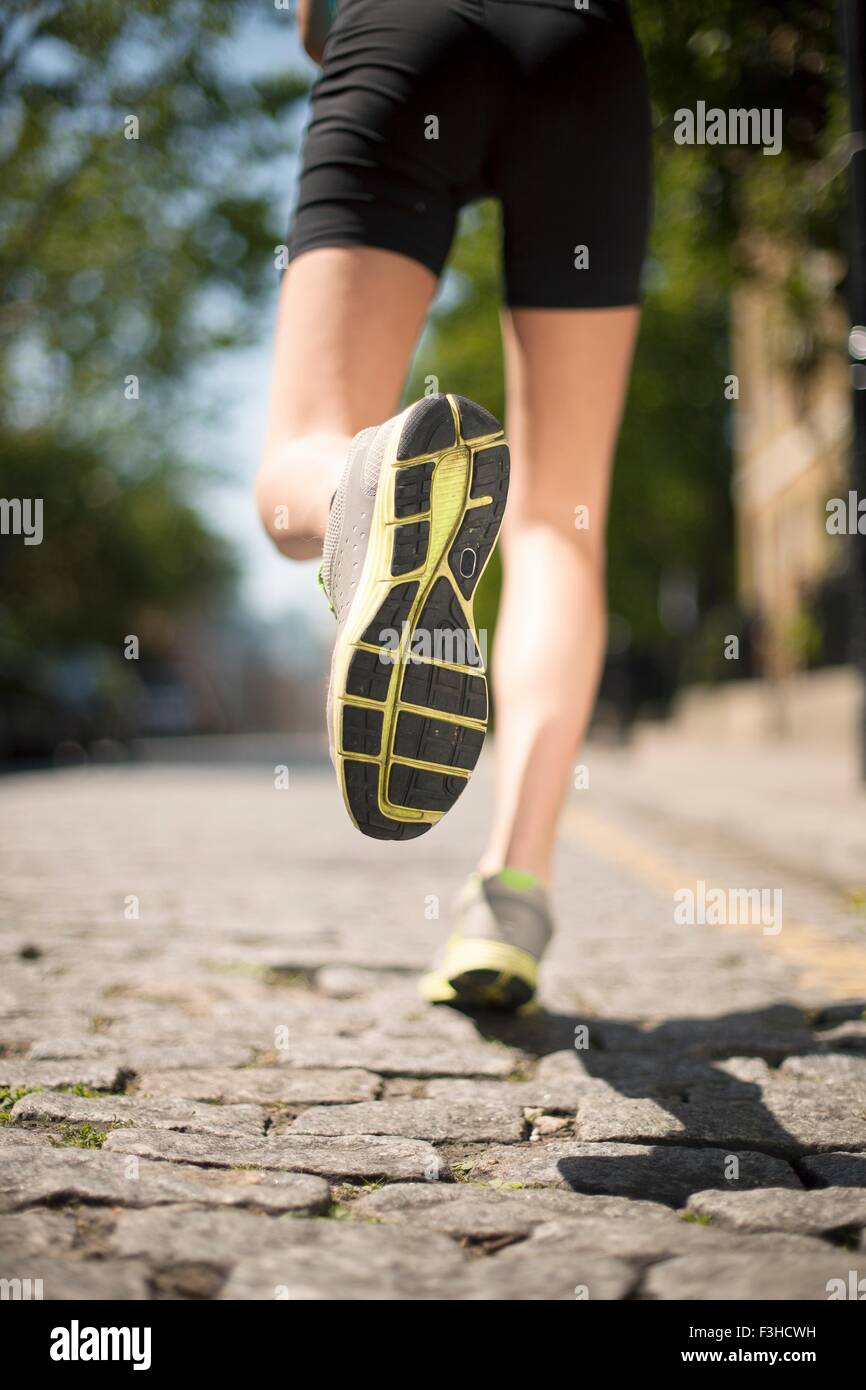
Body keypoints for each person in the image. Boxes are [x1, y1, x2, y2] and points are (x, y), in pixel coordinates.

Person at [256, 0, 652, 1010]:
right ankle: (511, 897)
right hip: (584, 50)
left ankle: (362, 483)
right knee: (559, 521)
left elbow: (310, 18)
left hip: (408, 28)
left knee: (296, 462)